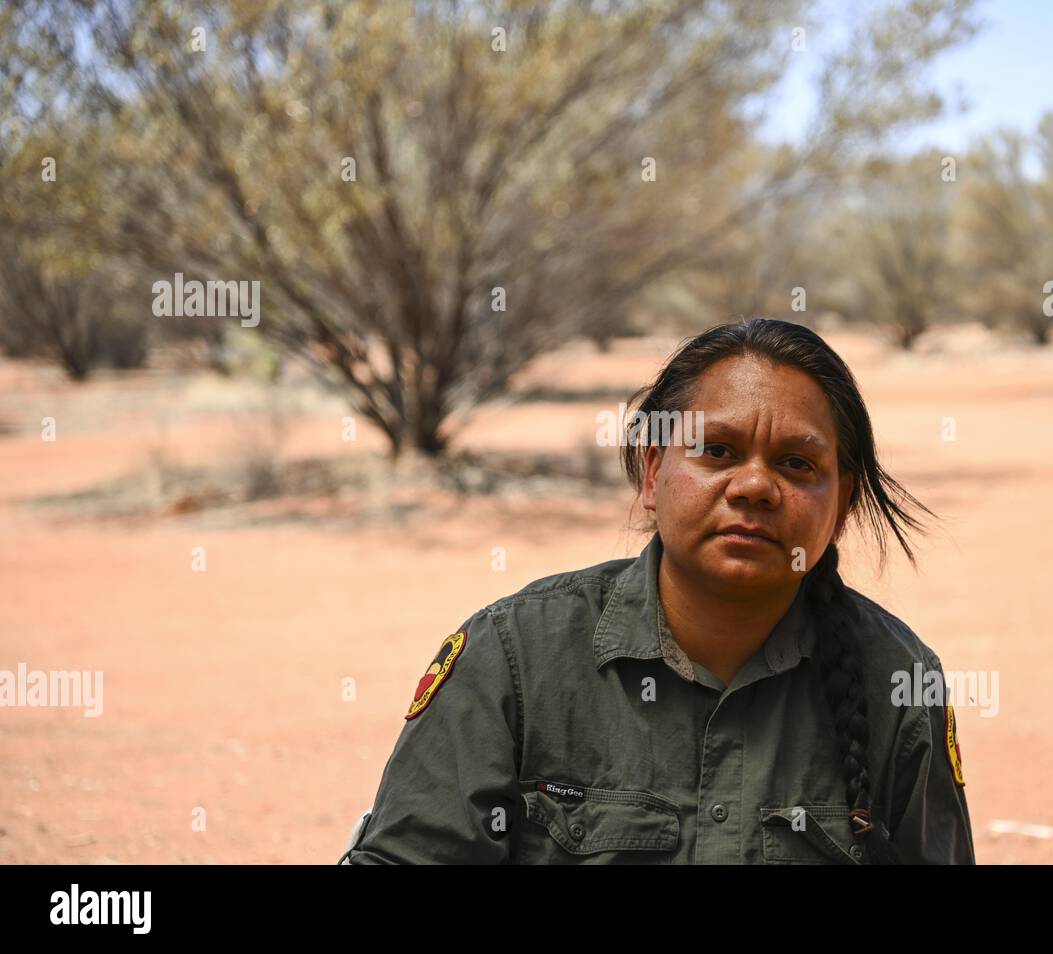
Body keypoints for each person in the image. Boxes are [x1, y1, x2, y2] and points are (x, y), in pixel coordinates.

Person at [341, 318, 975, 864]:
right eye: (718, 451)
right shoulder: (512, 658)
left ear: (842, 505)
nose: (754, 486)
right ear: (653, 474)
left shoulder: (897, 678)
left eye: (796, 464)